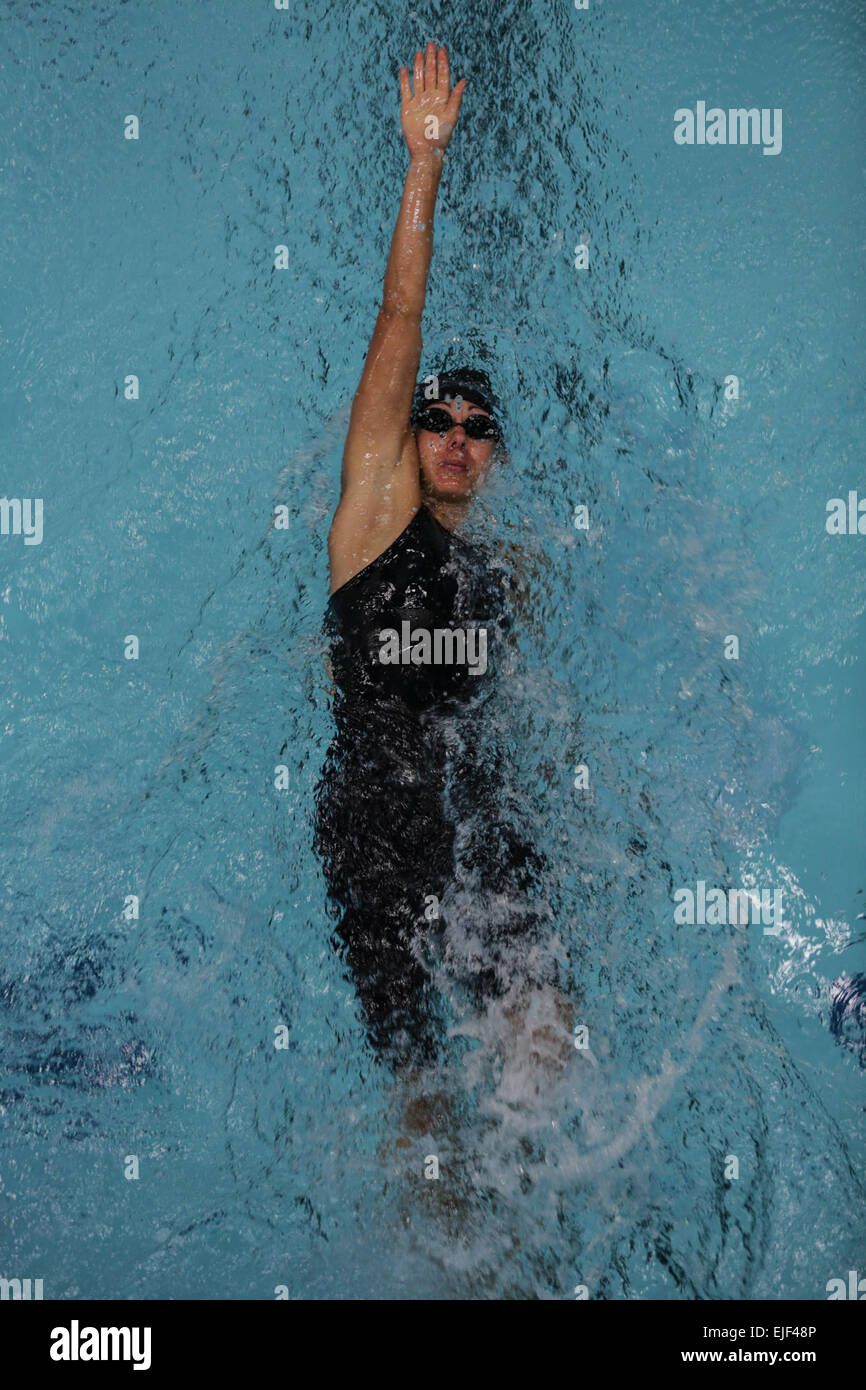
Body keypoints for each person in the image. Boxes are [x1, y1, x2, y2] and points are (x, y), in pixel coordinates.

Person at [314, 43, 565, 1072]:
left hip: (476, 807)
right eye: (437, 419)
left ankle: (528, 1224)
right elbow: (400, 320)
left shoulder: (508, 572)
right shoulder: (373, 516)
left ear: (494, 453)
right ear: (407, 438)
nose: (457, 434)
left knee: (544, 1042)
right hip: (375, 823)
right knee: (416, 1087)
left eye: (479, 424)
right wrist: (425, 163)